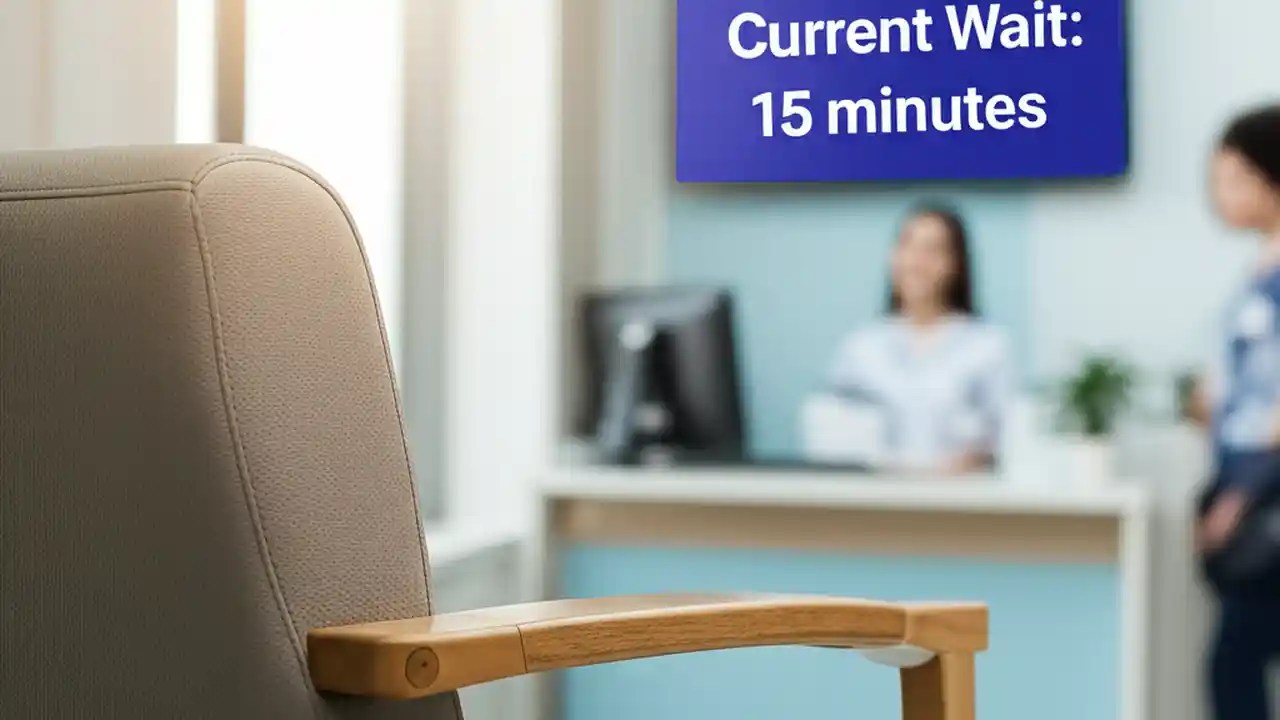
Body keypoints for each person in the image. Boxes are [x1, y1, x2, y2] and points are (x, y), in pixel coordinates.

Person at [1196, 105, 1280, 720]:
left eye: (1228, 177)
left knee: (1234, 662)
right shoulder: (1258, 274)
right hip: (1249, 486)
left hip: (1267, 497)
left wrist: (1240, 495)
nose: (1216, 193)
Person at [825, 205, 1012, 474]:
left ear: (956, 264)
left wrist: (975, 458)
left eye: (932, 250)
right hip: (874, 499)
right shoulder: (861, 346)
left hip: (960, 500)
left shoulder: (988, 346)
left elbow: (1003, 438)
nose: (916, 261)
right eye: (907, 246)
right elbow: (834, 430)